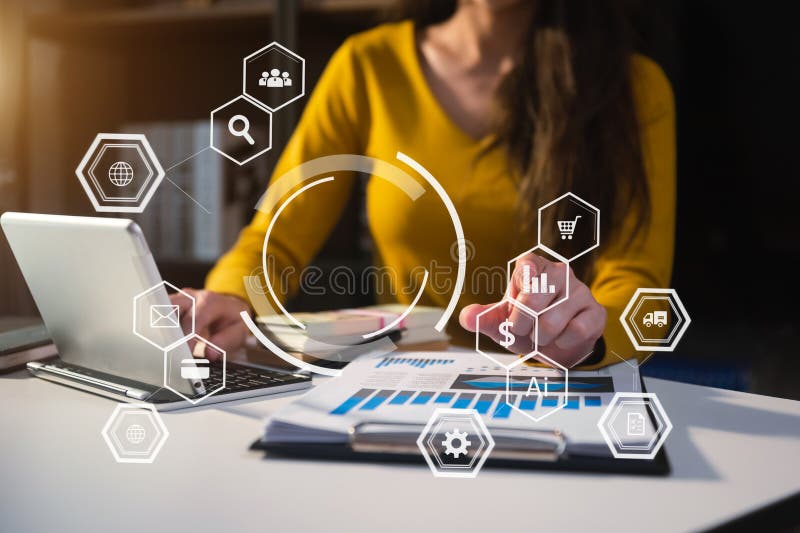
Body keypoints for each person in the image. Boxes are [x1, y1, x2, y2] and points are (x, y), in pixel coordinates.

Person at [177, 0, 674, 370]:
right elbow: (276, 238)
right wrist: (227, 301)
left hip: (552, 392)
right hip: (400, 385)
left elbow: (640, 294)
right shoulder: (368, 65)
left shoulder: (633, 87)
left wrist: (584, 335)